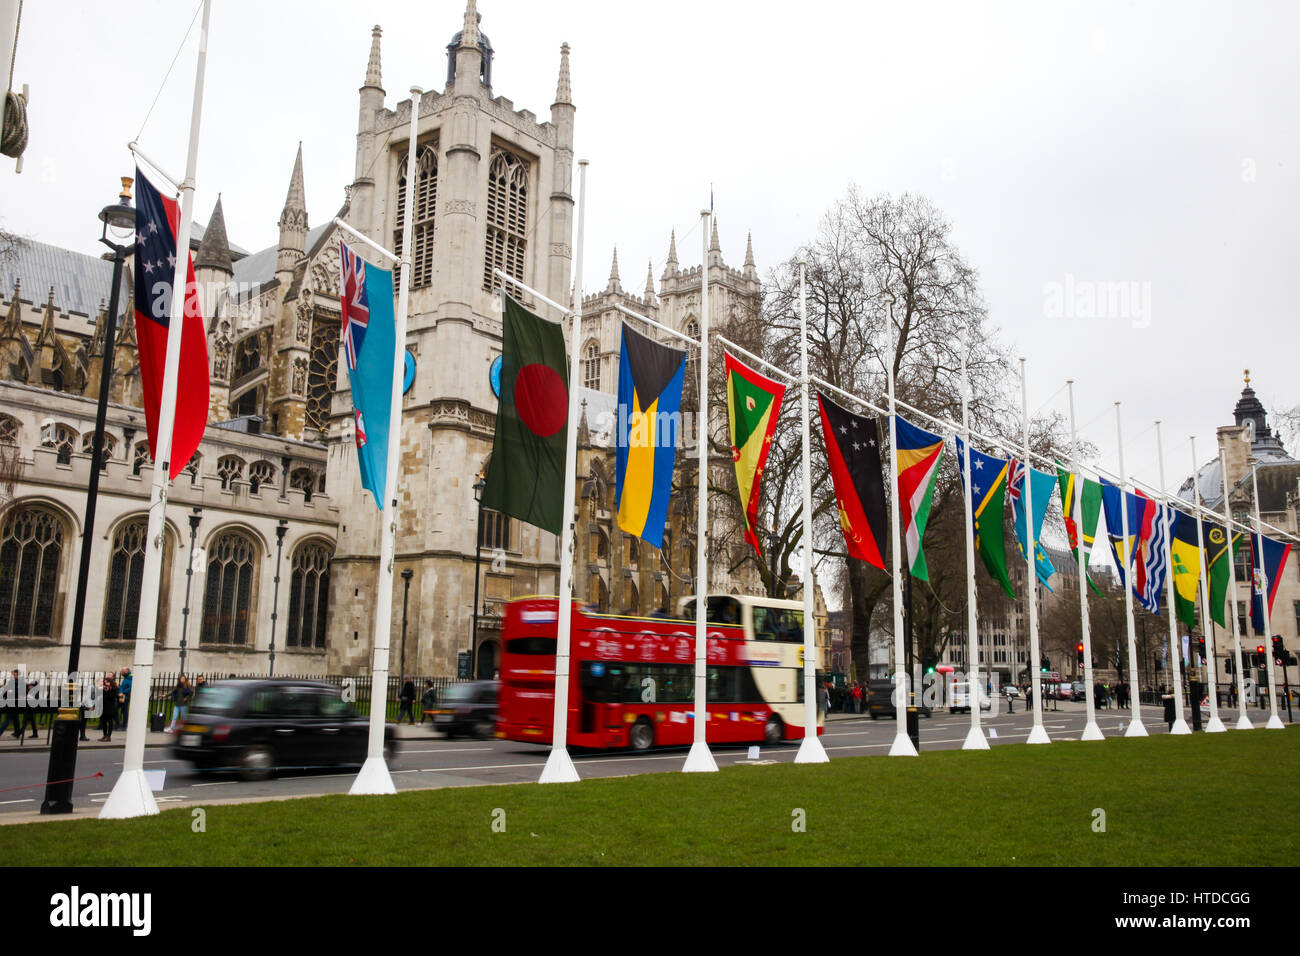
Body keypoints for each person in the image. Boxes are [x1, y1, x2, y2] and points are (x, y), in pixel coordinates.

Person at [99, 675, 118, 741]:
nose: (106, 683)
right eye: (105, 682)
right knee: (104, 722)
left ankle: (108, 736)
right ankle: (104, 735)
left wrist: (107, 691)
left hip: (110, 707)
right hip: (103, 707)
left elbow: (112, 697)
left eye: (107, 682)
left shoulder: (114, 689)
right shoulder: (104, 689)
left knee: (110, 721)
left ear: (110, 682)